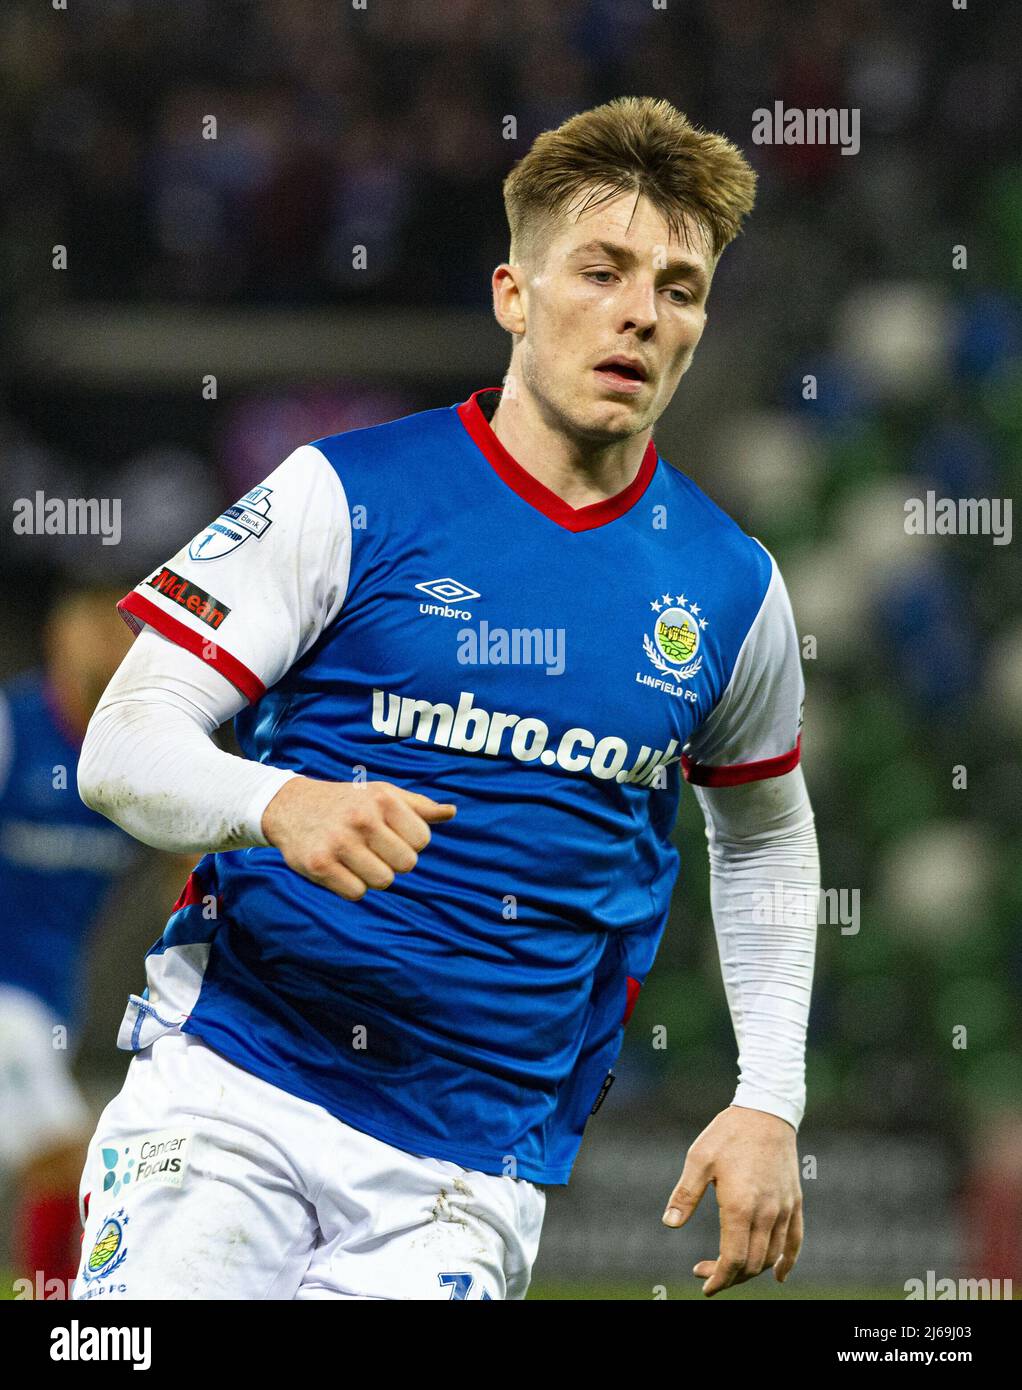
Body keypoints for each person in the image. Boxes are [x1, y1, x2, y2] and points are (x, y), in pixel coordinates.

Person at [74, 96, 819, 1301]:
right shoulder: (346, 494)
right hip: (230, 1093)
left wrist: (767, 1098)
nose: (640, 310)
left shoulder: (731, 589)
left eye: (678, 288)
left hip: (465, 1174)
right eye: (602, 269)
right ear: (511, 296)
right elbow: (122, 741)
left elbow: (765, 831)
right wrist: (280, 805)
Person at [0, 581, 138, 1295]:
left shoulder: (136, 757)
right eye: (97, 626)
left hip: (55, 998)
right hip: (4, 999)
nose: (112, 644)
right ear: (59, 636)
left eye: (126, 630)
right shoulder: (12, 729)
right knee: (68, 1155)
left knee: (62, 1166)